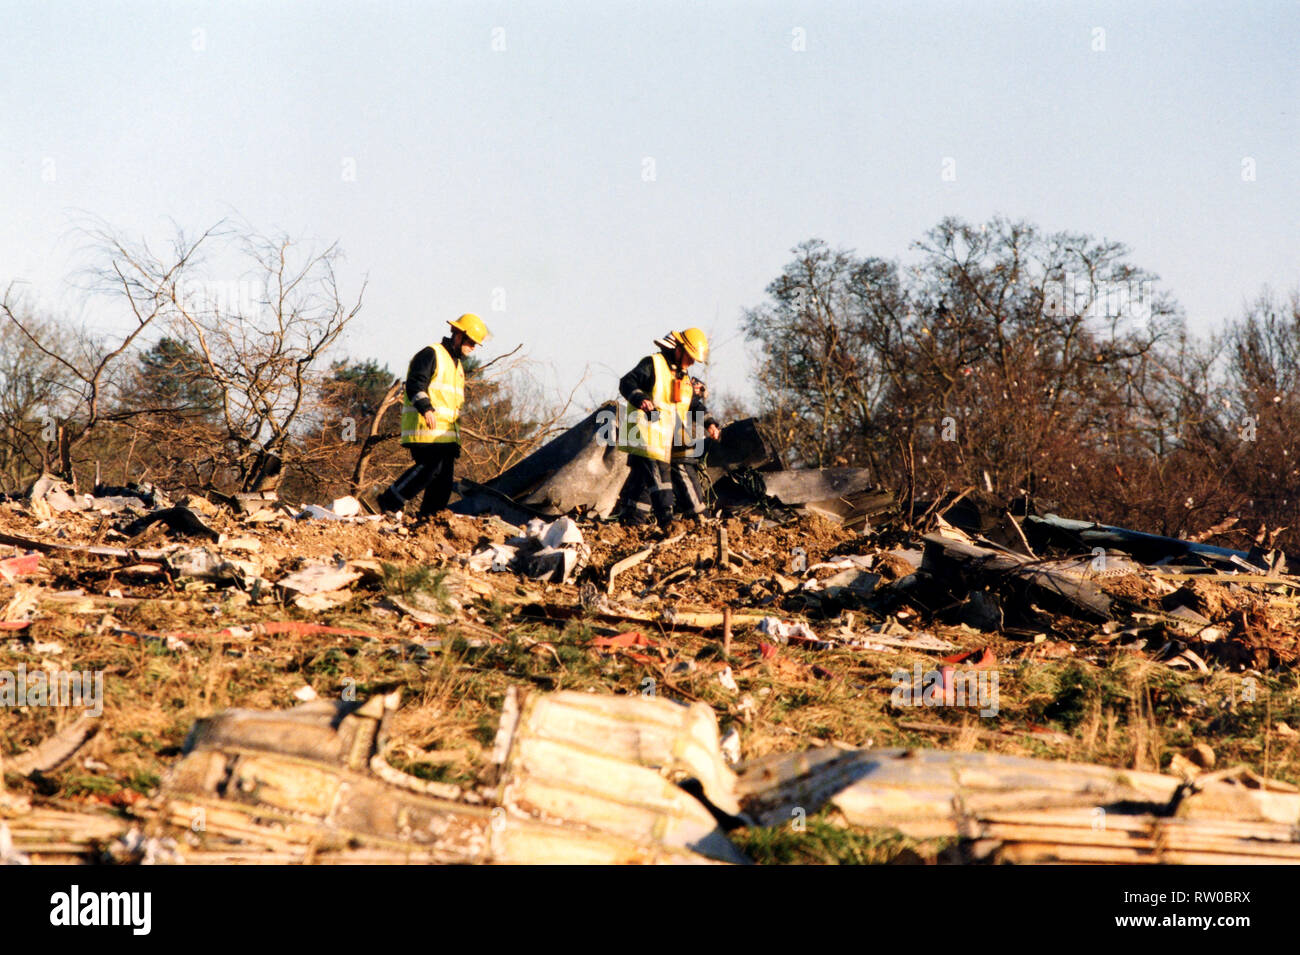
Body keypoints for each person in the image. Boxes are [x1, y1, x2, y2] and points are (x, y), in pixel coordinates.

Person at [376, 313, 488, 519]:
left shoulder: (457, 366)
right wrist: (426, 408)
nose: (473, 347)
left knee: (443, 482)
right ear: (458, 335)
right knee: (431, 467)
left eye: (475, 344)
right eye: (471, 341)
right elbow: (415, 383)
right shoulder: (432, 354)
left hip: (446, 436)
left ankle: (429, 518)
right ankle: (390, 501)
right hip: (426, 429)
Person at [615, 328, 718, 534]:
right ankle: (668, 522)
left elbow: (693, 404)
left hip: (663, 439)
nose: (691, 363)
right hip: (646, 434)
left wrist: (710, 423)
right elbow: (627, 382)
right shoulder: (653, 364)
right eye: (690, 357)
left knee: (642, 483)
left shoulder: (683, 376)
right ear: (678, 349)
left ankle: (632, 523)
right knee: (661, 480)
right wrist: (640, 398)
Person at [670, 376, 721, 520]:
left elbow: (696, 408)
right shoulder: (677, 385)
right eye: (699, 387)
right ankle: (699, 513)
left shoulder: (690, 400)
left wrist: (710, 424)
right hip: (669, 441)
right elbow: (693, 405)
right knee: (684, 469)